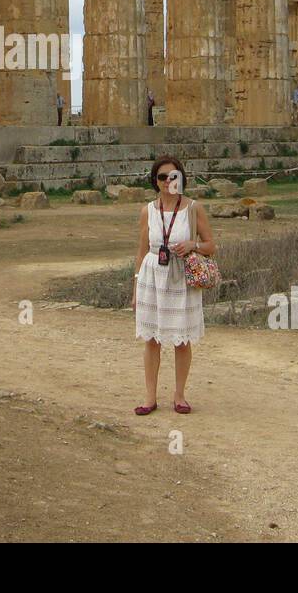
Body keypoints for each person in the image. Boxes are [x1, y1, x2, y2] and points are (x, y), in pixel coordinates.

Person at [130, 155, 215, 416]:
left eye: (173, 176)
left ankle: (179, 396)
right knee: (152, 339)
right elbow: (142, 251)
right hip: (152, 276)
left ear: (181, 178)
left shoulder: (193, 209)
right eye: (162, 177)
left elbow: (211, 246)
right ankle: (150, 397)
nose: (168, 181)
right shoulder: (148, 210)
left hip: (181, 275)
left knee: (181, 340)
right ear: (155, 181)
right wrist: (135, 289)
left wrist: (193, 245)